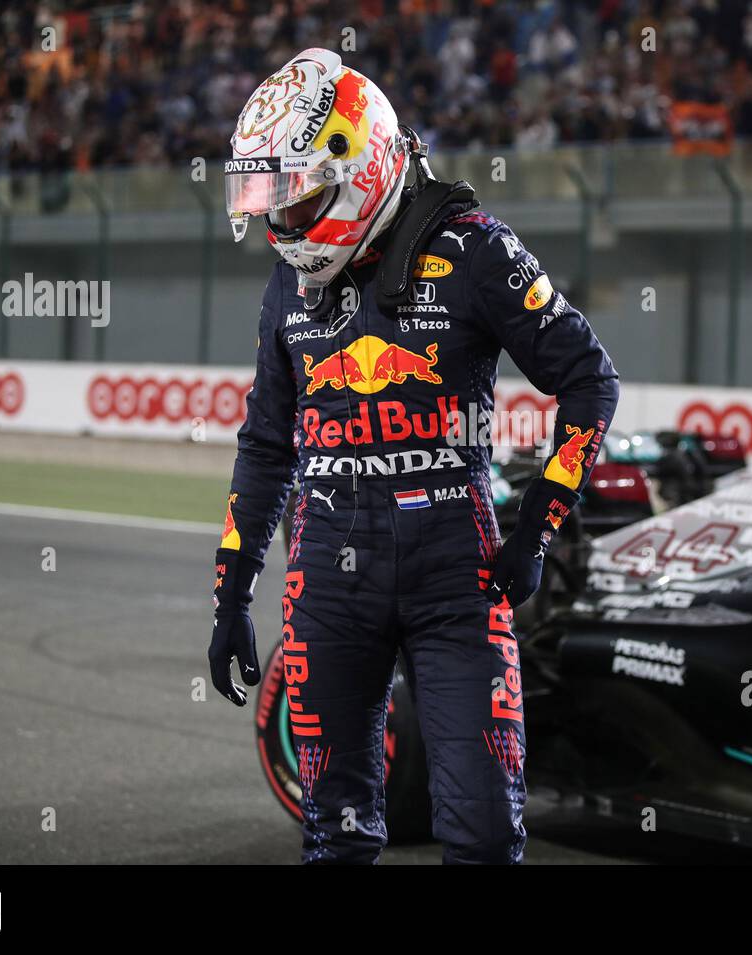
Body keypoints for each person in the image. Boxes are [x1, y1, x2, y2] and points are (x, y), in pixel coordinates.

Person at [207, 49, 619, 864]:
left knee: (485, 834)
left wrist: (537, 526)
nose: (282, 228)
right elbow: (264, 446)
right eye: (272, 206)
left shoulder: (476, 251)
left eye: (302, 201)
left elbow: (589, 381)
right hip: (324, 575)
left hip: (456, 574)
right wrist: (229, 593)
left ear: (360, 167)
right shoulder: (287, 288)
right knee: (337, 833)